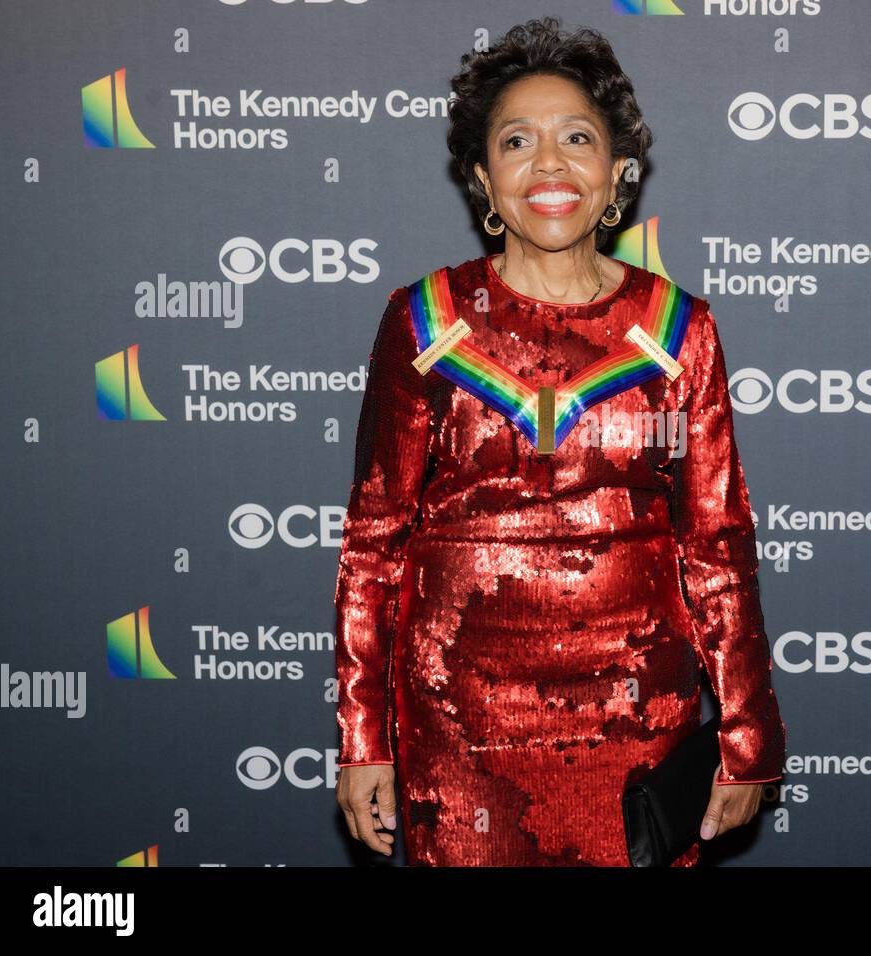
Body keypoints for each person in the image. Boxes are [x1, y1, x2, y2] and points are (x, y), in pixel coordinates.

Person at [334, 16, 785, 866]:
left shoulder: (676, 329)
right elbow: (373, 545)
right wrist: (365, 737)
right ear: (482, 177)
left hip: (636, 716)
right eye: (517, 141)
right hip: (461, 727)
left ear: (618, 172)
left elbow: (716, 541)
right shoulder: (424, 322)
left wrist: (745, 730)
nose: (548, 163)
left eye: (577, 137)